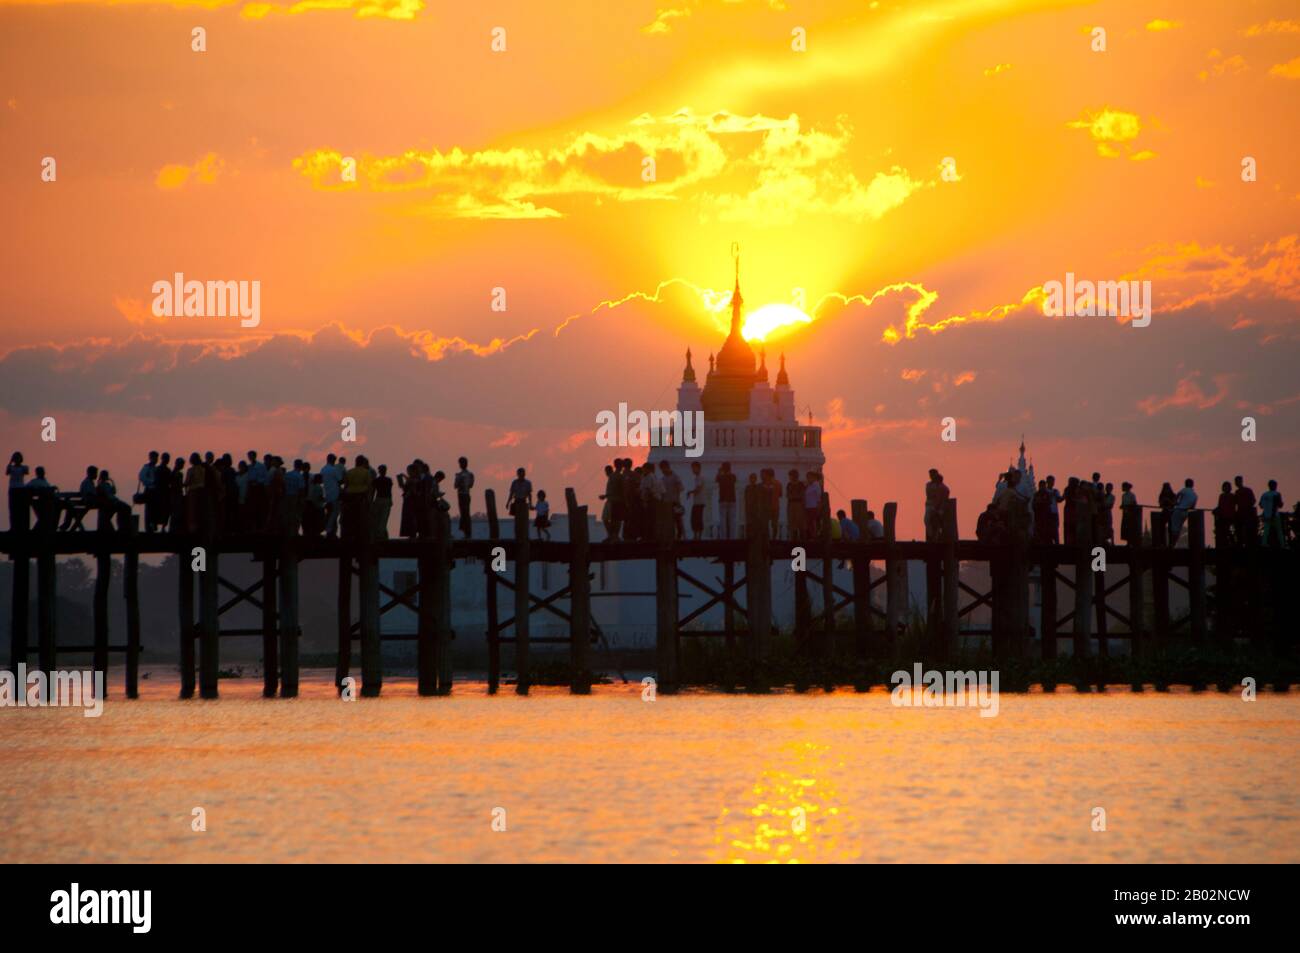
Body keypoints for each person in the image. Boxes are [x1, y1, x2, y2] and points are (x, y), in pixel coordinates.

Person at [660, 461, 684, 539]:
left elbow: (681, 488)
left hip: (675, 502)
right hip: (666, 503)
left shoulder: (675, 477)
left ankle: (679, 537)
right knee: (669, 522)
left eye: (663, 469)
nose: (662, 471)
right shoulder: (663, 479)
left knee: (677, 521)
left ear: (667, 467)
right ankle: (671, 537)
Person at [1233, 476, 1258, 546]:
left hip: (1248, 514)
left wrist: (1247, 507)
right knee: (1239, 531)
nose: (1237, 483)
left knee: (1249, 531)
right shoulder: (1237, 492)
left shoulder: (1248, 490)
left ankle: (1249, 545)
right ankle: (1240, 544)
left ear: (1241, 481)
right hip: (1240, 514)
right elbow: (1235, 503)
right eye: (1236, 482)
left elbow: (1253, 501)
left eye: (1238, 481)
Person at [6, 451, 29, 531]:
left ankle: (20, 527)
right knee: (12, 508)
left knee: (20, 509)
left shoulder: (24, 467)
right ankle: (13, 527)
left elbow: (26, 472)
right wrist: (10, 462)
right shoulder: (10, 467)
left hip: (20, 489)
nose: (16, 460)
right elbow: (7, 472)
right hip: (13, 489)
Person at [1171, 478, 1197, 545]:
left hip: (1179, 510)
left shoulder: (1184, 490)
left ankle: (1172, 544)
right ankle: (1174, 543)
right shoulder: (1195, 495)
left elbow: (1177, 495)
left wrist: (1175, 503)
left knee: (1174, 528)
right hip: (1185, 513)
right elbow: (1192, 507)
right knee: (1179, 529)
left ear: (1186, 484)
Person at [454, 457, 474, 539]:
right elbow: (470, 485)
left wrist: (459, 479)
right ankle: (466, 532)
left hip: (464, 495)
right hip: (463, 495)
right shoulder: (469, 474)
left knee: (465, 514)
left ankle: (467, 533)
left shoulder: (465, 475)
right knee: (464, 514)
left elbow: (456, 485)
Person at [1260, 480, 1285, 547]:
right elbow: (1279, 505)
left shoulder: (1264, 494)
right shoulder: (1276, 494)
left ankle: (1264, 543)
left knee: (1266, 530)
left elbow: (1261, 505)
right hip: (1274, 515)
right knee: (1279, 531)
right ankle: (1282, 545)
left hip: (1266, 515)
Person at [716, 462, 737, 539]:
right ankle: (732, 537)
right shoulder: (733, 476)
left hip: (723, 500)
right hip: (732, 500)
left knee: (723, 520)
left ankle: (723, 537)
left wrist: (719, 472)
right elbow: (734, 480)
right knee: (732, 520)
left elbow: (716, 479)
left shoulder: (721, 477)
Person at [372, 464, 393, 540]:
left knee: (377, 517)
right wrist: (391, 500)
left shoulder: (376, 480)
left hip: (378, 499)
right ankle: (381, 533)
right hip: (386, 499)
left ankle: (378, 533)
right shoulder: (389, 480)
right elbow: (389, 491)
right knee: (384, 518)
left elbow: (373, 491)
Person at [687, 461, 706, 541]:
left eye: (693, 468)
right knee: (695, 519)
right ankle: (696, 535)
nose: (692, 470)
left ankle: (698, 536)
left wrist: (690, 492)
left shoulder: (700, 477)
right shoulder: (697, 478)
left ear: (698, 468)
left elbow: (698, 489)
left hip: (700, 502)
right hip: (697, 501)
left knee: (697, 519)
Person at [785, 469, 805, 541]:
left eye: (791, 476)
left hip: (799, 505)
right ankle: (794, 540)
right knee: (792, 523)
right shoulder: (789, 484)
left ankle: (802, 540)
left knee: (800, 523)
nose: (790, 477)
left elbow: (801, 495)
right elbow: (788, 495)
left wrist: (794, 496)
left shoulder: (800, 484)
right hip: (791, 505)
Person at [804, 470, 824, 537]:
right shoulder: (809, 486)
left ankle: (814, 535)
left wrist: (818, 507)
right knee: (809, 522)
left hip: (814, 506)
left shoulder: (816, 485)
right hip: (808, 506)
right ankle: (812, 535)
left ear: (813, 477)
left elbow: (819, 497)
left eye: (809, 477)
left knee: (813, 522)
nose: (808, 479)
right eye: (807, 477)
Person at [1044, 475, 1063, 544]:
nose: (1052, 483)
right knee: (1047, 529)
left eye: (1053, 481)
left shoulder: (1055, 491)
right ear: (1047, 482)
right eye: (1050, 481)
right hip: (1047, 513)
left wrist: (1064, 496)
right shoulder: (1044, 491)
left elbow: (1059, 500)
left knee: (1055, 529)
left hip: (1054, 513)